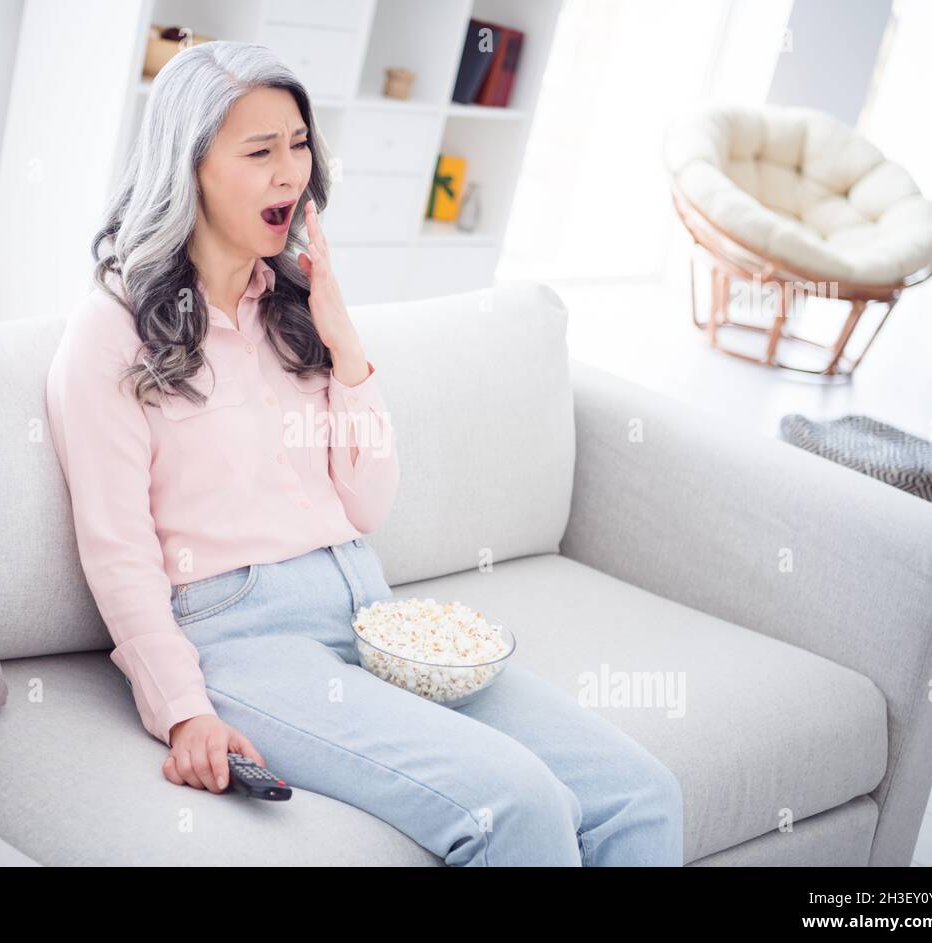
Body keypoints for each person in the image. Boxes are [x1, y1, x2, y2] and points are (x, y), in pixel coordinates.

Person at [44, 40, 683, 866]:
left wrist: (345, 341)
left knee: (642, 794)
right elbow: (117, 547)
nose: (292, 174)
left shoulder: (294, 306)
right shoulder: (112, 328)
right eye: (261, 151)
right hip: (241, 638)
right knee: (516, 803)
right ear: (190, 167)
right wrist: (181, 708)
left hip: (367, 609)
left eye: (300, 145)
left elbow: (367, 505)